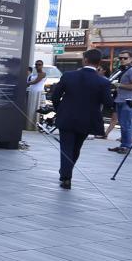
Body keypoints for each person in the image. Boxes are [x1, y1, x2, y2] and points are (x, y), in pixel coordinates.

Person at [47, 48, 115, 189]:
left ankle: (66, 176)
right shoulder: (103, 82)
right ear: (98, 63)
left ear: (85, 60)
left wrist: (60, 109)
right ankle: (67, 171)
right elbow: (108, 103)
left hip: (67, 117)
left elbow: (54, 97)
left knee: (66, 147)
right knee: (76, 148)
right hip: (87, 119)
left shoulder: (68, 76)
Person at [109, 51, 132, 154]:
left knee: (127, 124)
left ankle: (126, 146)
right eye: (120, 58)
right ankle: (123, 145)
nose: (122, 60)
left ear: (131, 59)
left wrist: (119, 85)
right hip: (121, 100)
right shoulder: (122, 70)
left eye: (125, 58)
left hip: (129, 101)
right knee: (123, 124)